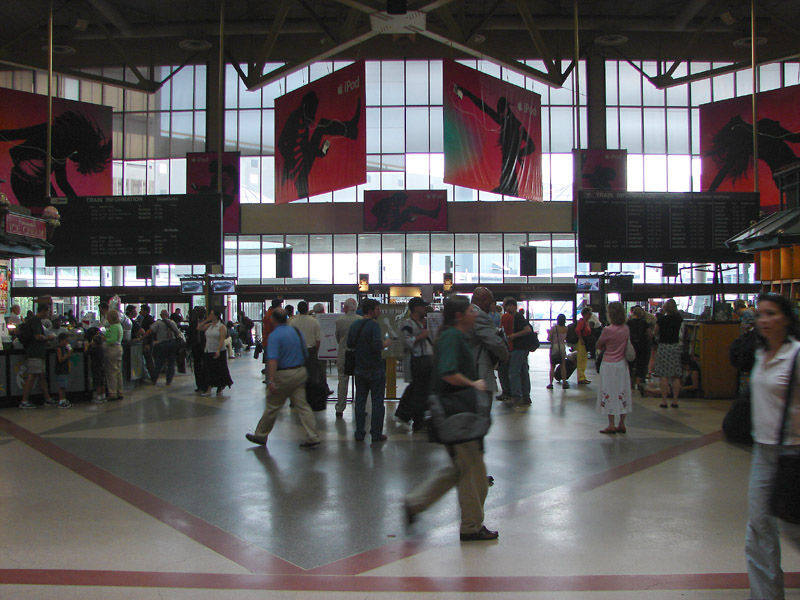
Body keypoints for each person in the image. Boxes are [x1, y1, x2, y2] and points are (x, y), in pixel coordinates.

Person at [404, 294, 498, 541]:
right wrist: (474, 383)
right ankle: (471, 526)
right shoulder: (452, 337)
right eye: (470, 311)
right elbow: (447, 373)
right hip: (458, 414)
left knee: (460, 469)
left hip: (458, 414)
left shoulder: (452, 336)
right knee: (473, 473)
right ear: (459, 316)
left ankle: (415, 504)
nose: (475, 314)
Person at [745, 292, 800, 600]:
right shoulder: (759, 353)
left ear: (786, 318)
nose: (763, 320)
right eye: (760, 314)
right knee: (759, 529)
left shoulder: (796, 355)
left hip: (793, 450)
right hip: (762, 452)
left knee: (794, 529)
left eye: (770, 313)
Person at [245, 308, 321, 449]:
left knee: (273, 406)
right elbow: (306, 352)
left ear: (273, 320)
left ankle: (260, 435)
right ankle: (313, 436)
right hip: (300, 372)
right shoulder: (296, 332)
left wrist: (271, 380)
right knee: (303, 406)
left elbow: (273, 360)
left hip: (284, 375)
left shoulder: (275, 336)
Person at [452, 85, 535, 197]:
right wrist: (465, 92)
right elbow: (484, 107)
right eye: (499, 113)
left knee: (508, 177)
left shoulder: (517, 125)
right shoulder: (504, 120)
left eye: (502, 112)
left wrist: (518, 153)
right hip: (507, 174)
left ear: (506, 110)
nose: (500, 115)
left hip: (510, 174)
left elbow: (532, 146)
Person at [277, 90, 361, 200]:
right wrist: (291, 157)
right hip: (297, 166)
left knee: (321, 125)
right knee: (321, 126)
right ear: (307, 106)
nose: (314, 113)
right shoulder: (295, 118)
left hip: (302, 159)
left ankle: (349, 128)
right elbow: (281, 143)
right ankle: (349, 129)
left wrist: (319, 152)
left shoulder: (303, 119)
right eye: (313, 109)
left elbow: (305, 146)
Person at [347, 298, 391, 443]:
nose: (379, 311)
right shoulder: (374, 325)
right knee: (377, 402)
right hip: (375, 368)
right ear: (371, 311)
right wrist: (386, 343)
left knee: (360, 401)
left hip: (359, 368)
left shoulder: (354, 325)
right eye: (377, 309)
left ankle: (359, 432)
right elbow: (377, 345)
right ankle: (376, 433)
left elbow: (350, 343)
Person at [397, 297, 434, 431]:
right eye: (422, 306)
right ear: (416, 308)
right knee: (419, 392)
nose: (425, 309)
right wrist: (421, 336)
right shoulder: (407, 324)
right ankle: (417, 422)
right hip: (417, 361)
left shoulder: (421, 324)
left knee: (418, 390)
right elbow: (407, 342)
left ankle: (404, 414)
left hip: (425, 361)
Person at [596, 302, 633, 434]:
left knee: (609, 392)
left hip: (608, 365)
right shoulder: (626, 329)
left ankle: (611, 424)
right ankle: (622, 423)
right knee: (622, 391)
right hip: (622, 364)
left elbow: (599, 345)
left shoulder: (608, 330)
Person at [470, 287, 509, 404]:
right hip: (480, 372)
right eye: (490, 302)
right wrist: (505, 355)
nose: (491, 305)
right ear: (483, 300)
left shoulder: (466, 313)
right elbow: (494, 342)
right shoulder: (479, 315)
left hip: (467, 371)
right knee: (482, 409)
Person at [18, 304, 55, 408]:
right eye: (47, 312)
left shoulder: (35, 321)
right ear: (43, 311)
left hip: (37, 352)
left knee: (41, 376)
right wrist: (49, 338)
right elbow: (37, 336)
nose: (48, 315)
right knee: (32, 376)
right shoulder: (35, 321)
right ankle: (24, 401)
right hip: (35, 353)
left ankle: (47, 398)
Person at [654, 298, 683, 408]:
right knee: (676, 375)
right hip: (675, 346)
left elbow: (655, 332)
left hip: (664, 346)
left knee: (664, 375)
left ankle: (664, 400)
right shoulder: (679, 318)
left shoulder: (662, 319)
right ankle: (675, 400)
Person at [502, 297, 532, 406]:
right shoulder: (515, 317)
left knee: (513, 371)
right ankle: (526, 396)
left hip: (518, 348)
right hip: (522, 348)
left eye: (508, 305)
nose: (506, 308)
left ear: (513, 306)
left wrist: (514, 336)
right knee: (523, 372)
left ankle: (517, 396)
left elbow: (527, 329)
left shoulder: (518, 317)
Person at [197, 307, 233, 397]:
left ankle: (220, 386)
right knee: (208, 370)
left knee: (219, 370)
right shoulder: (210, 326)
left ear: (216, 316)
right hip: (208, 349)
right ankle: (208, 388)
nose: (210, 316)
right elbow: (199, 328)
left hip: (218, 350)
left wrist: (218, 350)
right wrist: (206, 320)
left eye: (211, 314)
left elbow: (221, 340)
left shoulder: (221, 327)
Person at [334, 298, 361, 419]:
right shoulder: (361, 320)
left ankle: (340, 408)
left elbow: (338, 337)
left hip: (344, 353)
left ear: (345, 307)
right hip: (358, 354)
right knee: (360, 382)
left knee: (343, 381)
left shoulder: (340, 320)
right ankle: (360, 406)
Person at [148, 309, 182, 385]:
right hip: (172, 344)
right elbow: (177, 332)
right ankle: (168, 380)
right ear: (168, 315)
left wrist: (142, 338)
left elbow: (150, 331)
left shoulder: (158, 323)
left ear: (161, 315)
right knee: (171, 362)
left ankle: (154, 379)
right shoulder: (172, 322)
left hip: (162, 344)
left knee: (159, 362)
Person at [627, 305, 652, 395]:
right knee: (641, 364)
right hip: (643, 345)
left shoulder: (629, 322)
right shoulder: (645, 322)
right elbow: (649, 334)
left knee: (631, 364)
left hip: (632, 345)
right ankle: (639, 382)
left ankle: (631, 384)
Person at [104, 309, 124, 401]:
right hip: (119, 349)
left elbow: (112, 339)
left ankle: (112, 393)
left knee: (111, 372)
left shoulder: (114, 327)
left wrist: (104, 340)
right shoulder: (119, 326)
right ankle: (120, 391)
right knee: (118, 371)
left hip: (112, 350)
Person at [547, 314, 569, 390]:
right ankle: (564, 382)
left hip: (554, 347)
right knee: (563, 365)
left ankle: (550, 383)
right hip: (562, 346)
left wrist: (548, 333)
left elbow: (549, 339)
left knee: (552, 366)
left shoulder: (554, 328)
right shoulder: (566, 329)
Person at [188, 306, 207, 392]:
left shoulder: (208, 322)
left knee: (205, 366)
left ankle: (205, 384)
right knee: (197, 366)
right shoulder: (193, 323)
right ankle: (199, 385)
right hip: (196, 347)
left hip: (206, 347)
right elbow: (190, 335)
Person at [53, 333, 73, 408]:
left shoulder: (64, 348)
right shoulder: (59, 348)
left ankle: (64, 399)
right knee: (62, 386)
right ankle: (61, 400)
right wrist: (68, 354)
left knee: (64, 385)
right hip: (60, 370)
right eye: (66, 341)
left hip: (64, 369)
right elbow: (60, 359)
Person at [575, 306, 594, 385]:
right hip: (582, 342)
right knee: (581, 360)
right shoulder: (582, 321)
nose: (590, 315)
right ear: (586, 314)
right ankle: (580, 378)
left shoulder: (586, 322)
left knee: (584, 359)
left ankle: (583, 376)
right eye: (589, 314)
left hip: (585, 342)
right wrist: (581, 339)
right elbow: (577, 330)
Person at [87, 330, 106, 404]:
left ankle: (98, 397)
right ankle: (103, 396)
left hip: (95, 367)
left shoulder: (94, 349)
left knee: (97, 382)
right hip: (102, 367)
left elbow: (86, 353)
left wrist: (87, 346)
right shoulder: (101, 349)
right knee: (102, 382)